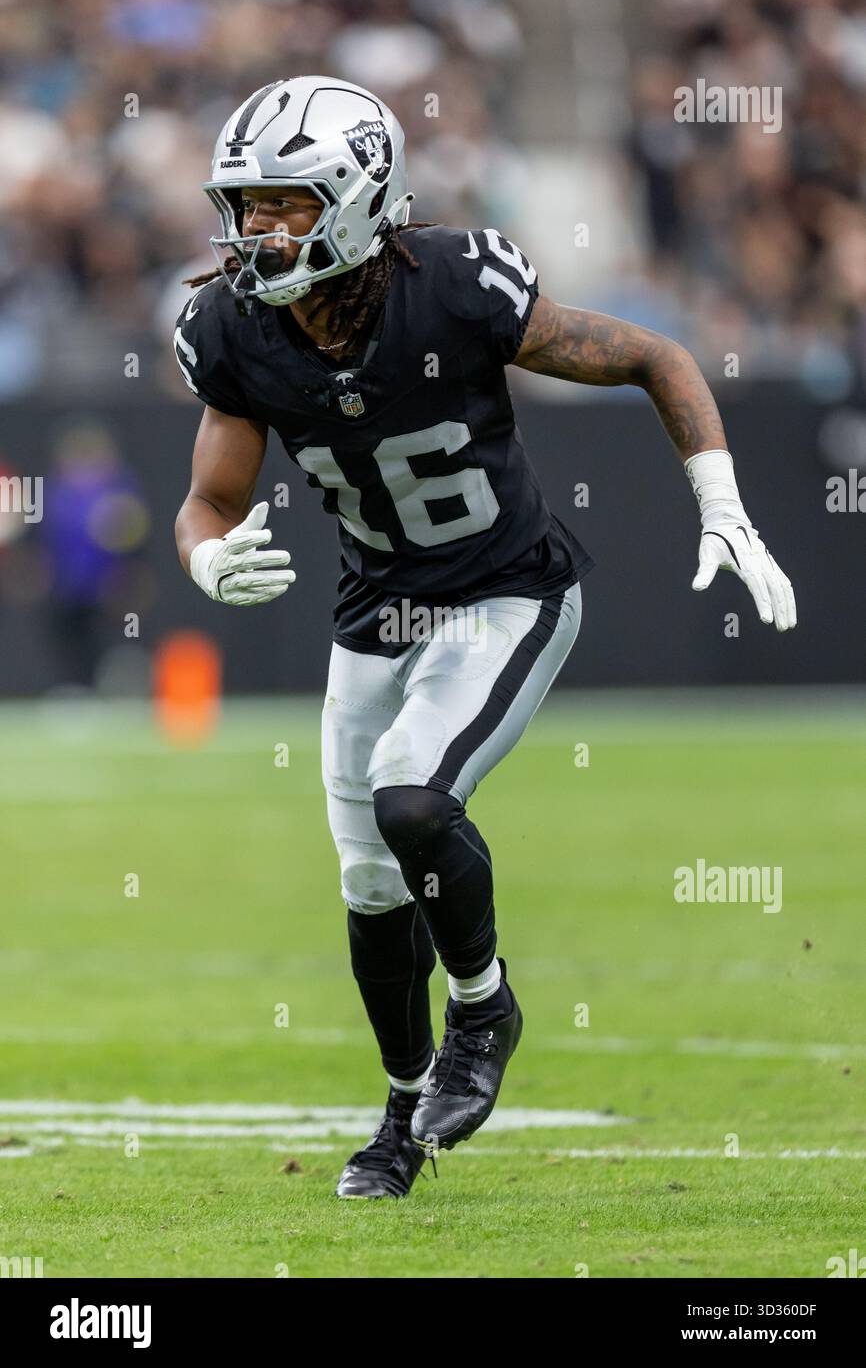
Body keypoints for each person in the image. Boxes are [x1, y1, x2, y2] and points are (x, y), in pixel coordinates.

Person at [174, 76, 796, 1200]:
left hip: (506, 591)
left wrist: (721, 503)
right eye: (247, 206)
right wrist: (204, 556)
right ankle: (402, 1109)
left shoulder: (453, 286)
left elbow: (655, 357)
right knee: (368, 882)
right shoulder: (229, 327)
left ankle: (482, 1005)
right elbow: (208, 499)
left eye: (286, 205)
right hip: (373, 615)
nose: (258, 231)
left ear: (359, 199)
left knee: (409, 798)